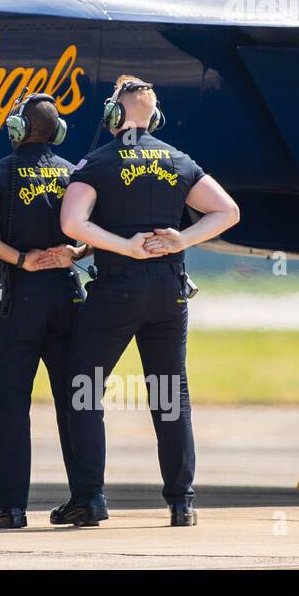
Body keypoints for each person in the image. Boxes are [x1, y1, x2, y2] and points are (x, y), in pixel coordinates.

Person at [59, 76, 240, 527]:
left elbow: (71, 223)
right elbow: (228, 211)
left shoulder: (98, 162)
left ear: (114, 116)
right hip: (168, 290)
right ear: (154, 118)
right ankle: (182, 502)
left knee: (83, 388)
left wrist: (124, 246)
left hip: (117, 288)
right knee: (170, 394)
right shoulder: (178, 160)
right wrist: (182, 240)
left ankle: (89, 499)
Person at [0, 93, 88, 528]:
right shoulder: (74, 174)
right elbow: (96, 232)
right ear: (57, 131)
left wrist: (20, 258)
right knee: (75, 402)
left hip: (21, 297)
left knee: (12, 404)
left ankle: (10, 508)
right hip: (68, 297)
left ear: (15, 130)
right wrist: (72, 252)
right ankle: (87, 500)